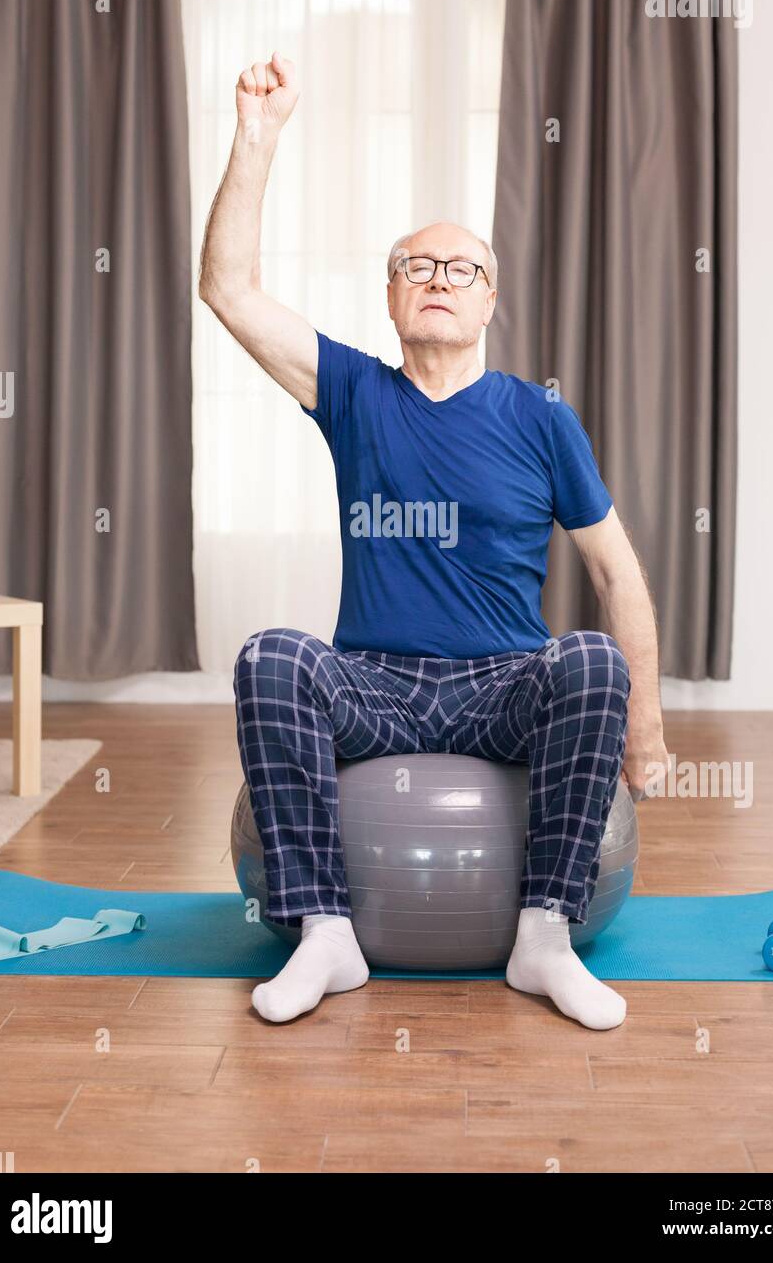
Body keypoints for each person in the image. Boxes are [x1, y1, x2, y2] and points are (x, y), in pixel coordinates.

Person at [199, 52, 669, 1031]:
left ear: (490, 299)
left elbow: (615, 572)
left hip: (505, 682)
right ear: (392, 298)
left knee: (585, 657)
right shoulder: (353, 391)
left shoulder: (541, 418)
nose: (439, 280)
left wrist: (650, 728)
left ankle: (542, 939)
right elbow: (229, 290)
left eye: (462, 269)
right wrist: (257, 138)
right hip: (375, 684)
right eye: (417, 266)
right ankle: (325, 932)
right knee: (271, 658)